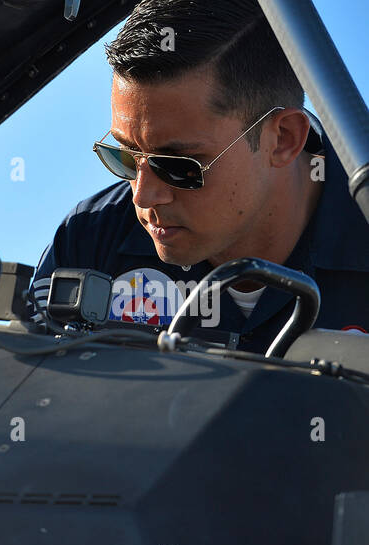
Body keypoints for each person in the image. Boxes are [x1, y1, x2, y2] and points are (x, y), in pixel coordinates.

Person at [27, 0, 369, 350]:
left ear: (283, 139)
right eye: (126, 157)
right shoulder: (90, 239)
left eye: (179, 166)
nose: (143, 197)